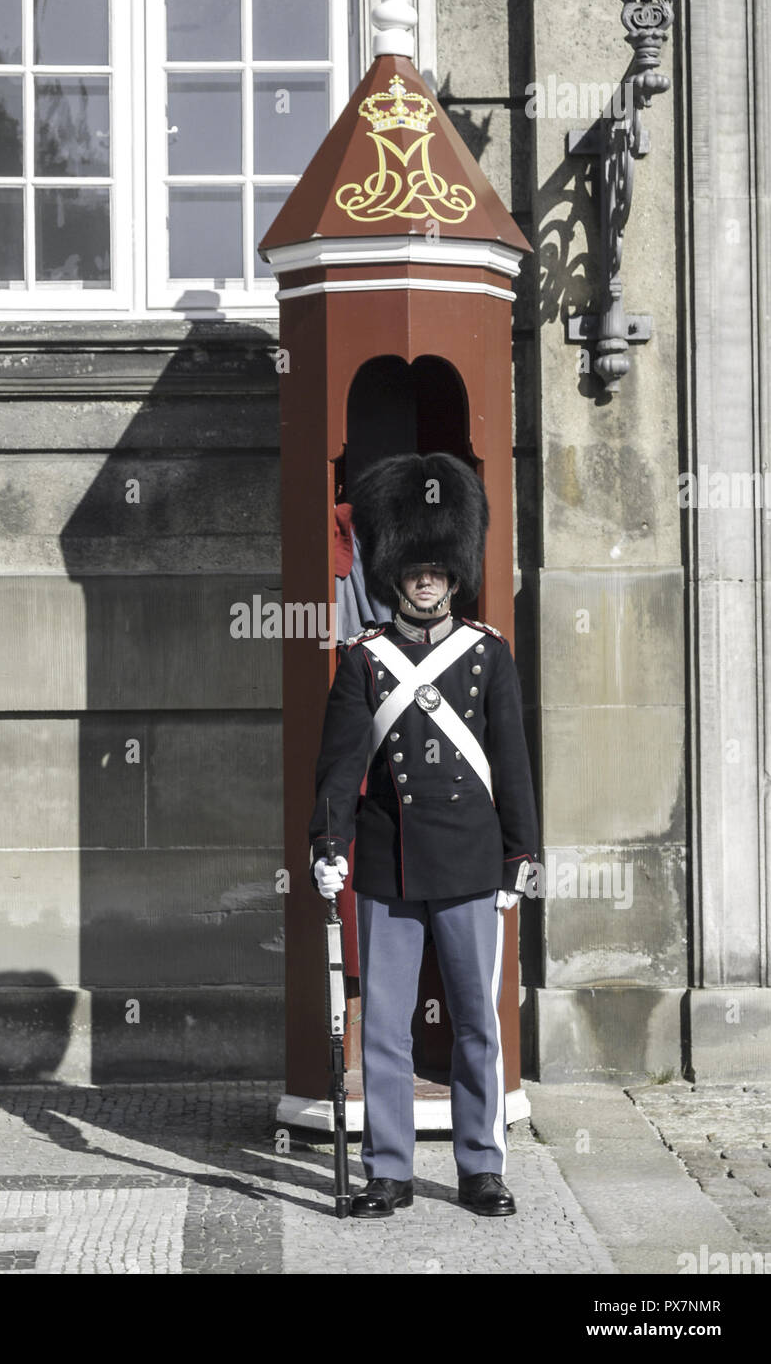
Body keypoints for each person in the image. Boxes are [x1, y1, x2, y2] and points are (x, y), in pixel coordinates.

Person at [308, 451, 539, 1219]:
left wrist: (521, 853)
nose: (427, 580)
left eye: (438, 567)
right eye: (415, 568)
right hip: (389, 868)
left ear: (453, 572)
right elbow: (339, 769)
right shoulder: (364, 662)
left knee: (476, 1024)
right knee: (385, 1030)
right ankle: (388, 1171)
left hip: (471, 863)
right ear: (396, 573)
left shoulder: (487, 655)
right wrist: (327, 846)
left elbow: (512, 762)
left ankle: (481, 1167)